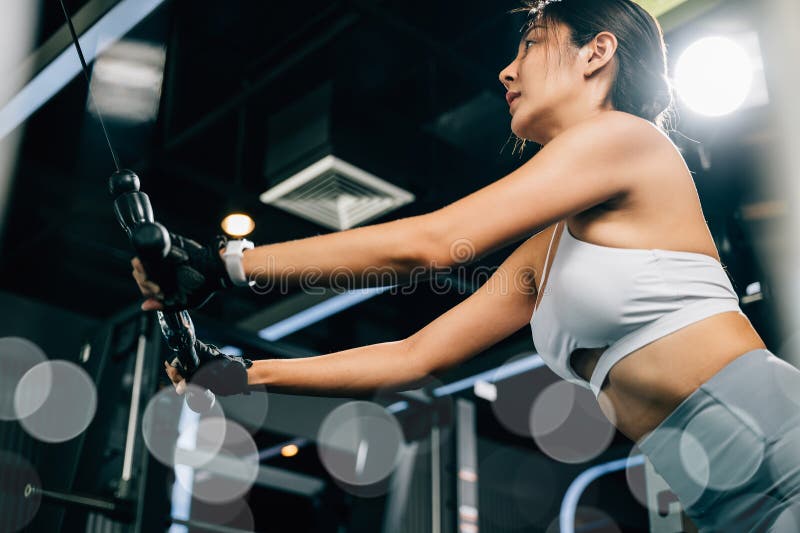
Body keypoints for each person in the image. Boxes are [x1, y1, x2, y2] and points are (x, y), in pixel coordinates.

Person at [131, 0, 800, 530]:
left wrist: (223, 265)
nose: (507, 72)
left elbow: (435, 241)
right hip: (718, 498)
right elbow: (415, 356)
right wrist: (237, 373)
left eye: (530, 45)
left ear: (597, 53)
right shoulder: (548, 251)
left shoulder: (628, 140)